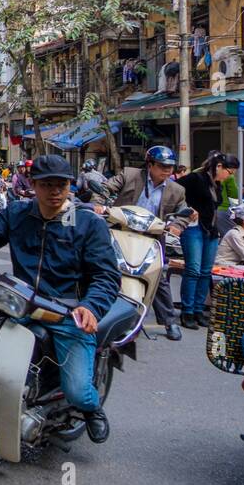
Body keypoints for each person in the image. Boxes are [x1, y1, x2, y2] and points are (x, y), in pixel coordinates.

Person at [0, 154, 118, 444]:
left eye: (61, 185)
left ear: (71, 186)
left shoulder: (87, 223)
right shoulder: (17, 213)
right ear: (33, 185)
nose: (55, 191)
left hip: (67, 314)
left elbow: (106, 276)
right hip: (20, 304)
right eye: (47, 185)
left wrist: (90, 306)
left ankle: (93, 409)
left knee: (78, 390)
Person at [95, 144, 188, 341]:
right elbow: (106, 188)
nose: (167, 170)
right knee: (101, 265)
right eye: (162, 166)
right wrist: (98, 204)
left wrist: (177, 224)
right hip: (121, 230)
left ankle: (169, 321)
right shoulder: (129, 175)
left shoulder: (177, 190)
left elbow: (183, 212)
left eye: (170, 166)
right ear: (150, 164)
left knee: (158, 276)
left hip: (153, 236)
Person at [176, 151, 240, 329]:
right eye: (230, 172)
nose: (230, 177)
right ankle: (187, 312)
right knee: (193, 270)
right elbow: (173, 189)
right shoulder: (196, 178)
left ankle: (198, 310)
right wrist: (187, 208)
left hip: (211, 230)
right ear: (219, 166)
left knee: (205, 272)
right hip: (193, 229)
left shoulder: (217, 184)